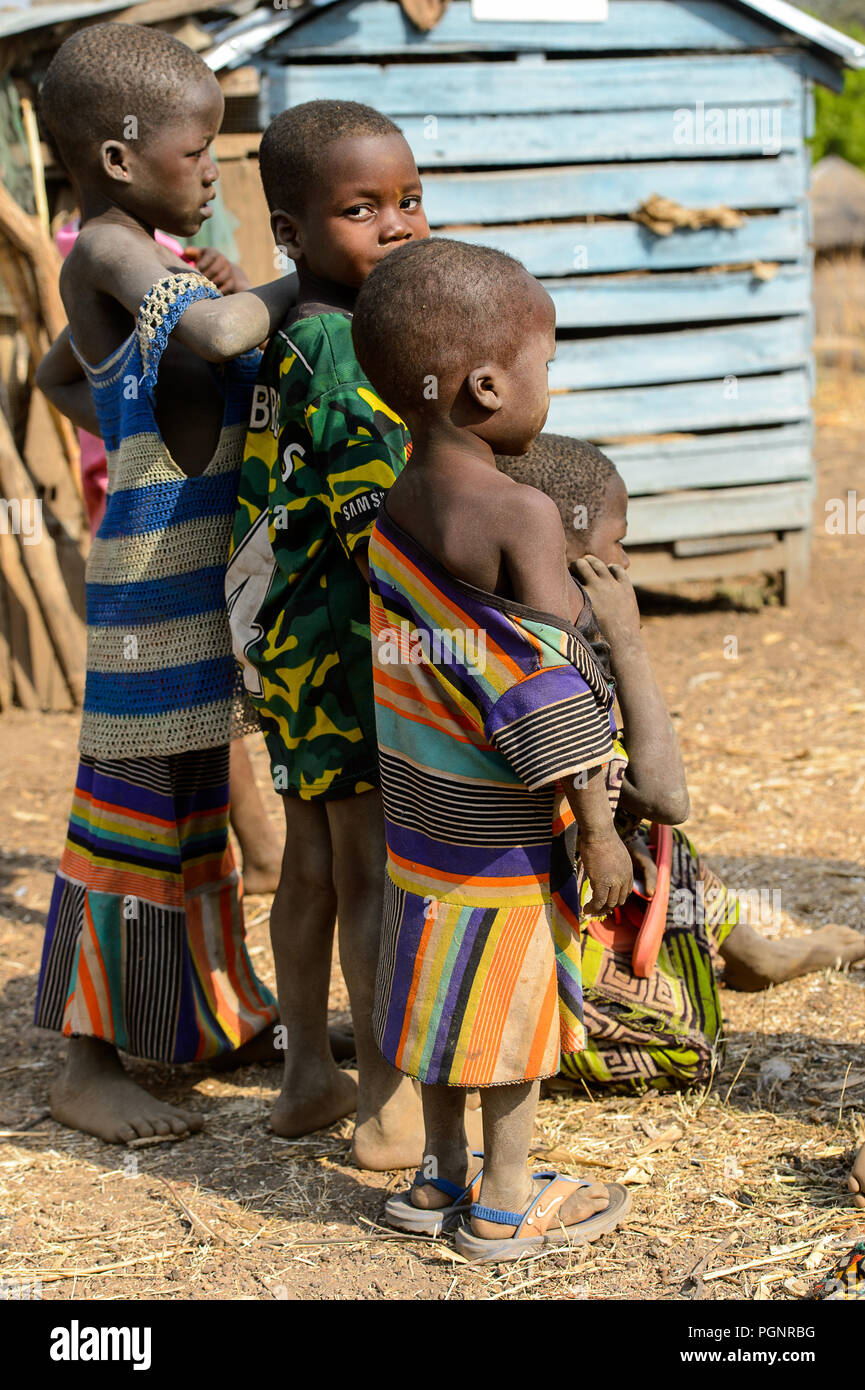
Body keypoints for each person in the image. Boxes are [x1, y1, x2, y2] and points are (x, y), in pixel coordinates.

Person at [32, 22, 305, 1143]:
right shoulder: (104, 248)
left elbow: (61, 370)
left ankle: (211, 1007)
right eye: (198, 154)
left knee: (194, 808)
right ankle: (82, 1062)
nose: (211, 172)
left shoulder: (125, 266)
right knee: (130, 814)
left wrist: (128, 375)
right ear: (117, 159)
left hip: (185, 583)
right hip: (149, 591)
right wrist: (313, 273)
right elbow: (228, 327)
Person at [351, 236, 640, 1261]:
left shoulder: (393, 506)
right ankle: (508, 1204)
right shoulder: (520, 514)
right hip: (504, 842)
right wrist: (601, 832)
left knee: (434, 1001)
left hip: (420, 827)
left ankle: (437, 1180)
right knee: (511, 1022)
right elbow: (553, 683)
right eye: (545, 366)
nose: (547, 386)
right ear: (483, 383)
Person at [499, 433, 865, 1092]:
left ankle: (761, 953)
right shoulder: (547, 663)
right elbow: (663, 797)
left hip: (584, 882)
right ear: (566, 550)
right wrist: (630, 641)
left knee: (657, 839)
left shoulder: (501, 627)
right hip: (553, 925)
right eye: (618, 540)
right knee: (683, 1048)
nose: (626, 557)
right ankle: (757, 957)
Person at [226, 100, 446, 1169]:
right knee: (373, 873)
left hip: (287, 641)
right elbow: (384, 523)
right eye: (363, 209)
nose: (398, 225)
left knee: (311, 863)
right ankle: (387, 1106)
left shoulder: (289, 335)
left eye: (409, 199)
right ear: (292, 233)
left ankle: (307, 1073)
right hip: (350, 643)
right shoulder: (341, 346)